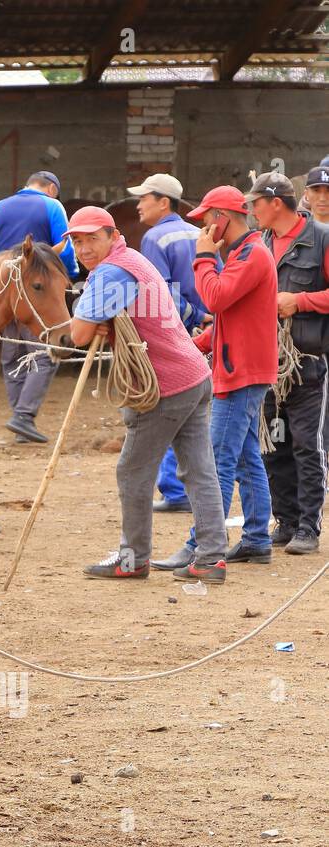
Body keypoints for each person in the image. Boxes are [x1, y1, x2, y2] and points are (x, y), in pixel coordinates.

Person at [64, 206, 227, 583]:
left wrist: (91, 311)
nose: (85, 248)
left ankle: (133, 559)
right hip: (195, 375)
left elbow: (78, 335)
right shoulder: (133, 258)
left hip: (165, 385)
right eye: (77, 241)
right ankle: (211, 558)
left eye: (92, 239)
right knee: (199, 471)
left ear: (111, 235)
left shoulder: (109, 273)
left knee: (132, 473)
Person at [152, 185, 277, 573]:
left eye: (207, 219)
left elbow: (215, 300)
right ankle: (256, 538)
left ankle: (202, 546)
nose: (203, 227)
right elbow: (231, 316)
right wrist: (200, 343)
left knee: (216, 462)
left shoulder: (250, 255)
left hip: (239, 372)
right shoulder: (247, 252)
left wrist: (203, 258)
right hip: (240, 367)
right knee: (244, 457)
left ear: (223, 218)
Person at [248, 172, 329, 555]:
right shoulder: (260, 244)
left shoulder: (322, 239)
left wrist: (302, 301)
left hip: (308, 362)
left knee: (307, 446)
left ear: (275, 203)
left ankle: (309, 528)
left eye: (256, 203)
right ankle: (286, 521)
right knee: (274, 445)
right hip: (268, 363)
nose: (252, 210)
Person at [126, 172, 210, 515]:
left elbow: (159, 292)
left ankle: (175, 491)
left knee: (170, 404)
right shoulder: (198, 233)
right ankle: (185, 489)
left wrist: (191, 316)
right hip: (209, 329)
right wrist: (207, 316)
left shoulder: (155, 238)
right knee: (196, 413)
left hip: (179, 332)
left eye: (144, 198)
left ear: (164, 202)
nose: (138, 204)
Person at [0, 171, 80, 443]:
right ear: (50, 189)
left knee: (11, 357)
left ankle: (20, 421)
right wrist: (68, 275)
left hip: (5, 293)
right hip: (37, 294)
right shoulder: (51, 205)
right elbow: (66, 247)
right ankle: (23, 416)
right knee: (46, 352)